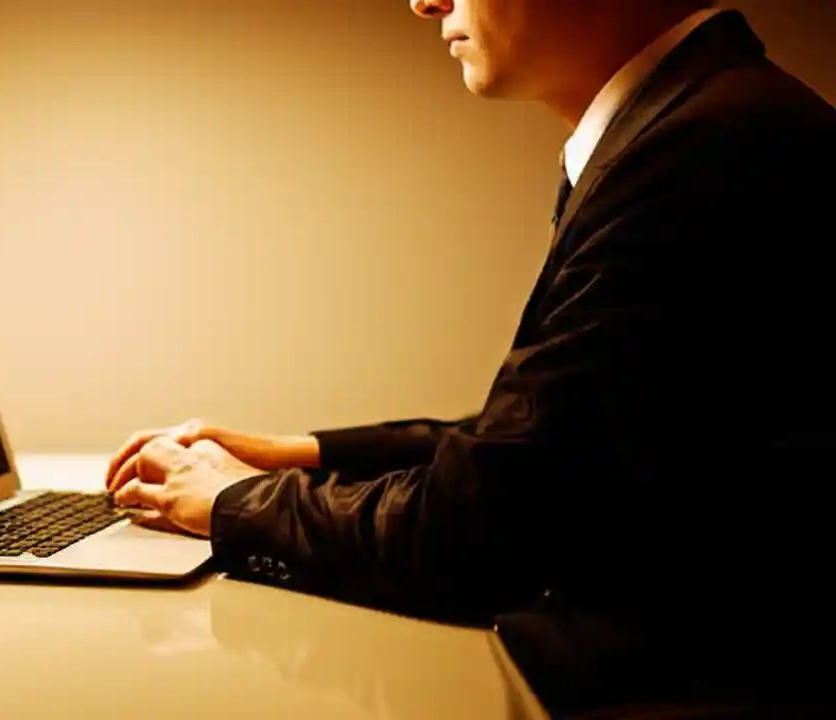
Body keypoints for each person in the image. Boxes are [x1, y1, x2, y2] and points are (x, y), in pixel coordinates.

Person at [105, 1, 834, 716]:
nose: (426, 3)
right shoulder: (709, 116)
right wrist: (295, 455)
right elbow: (544, 443)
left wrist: (233, 503)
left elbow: (483, 533)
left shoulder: (702, 148)